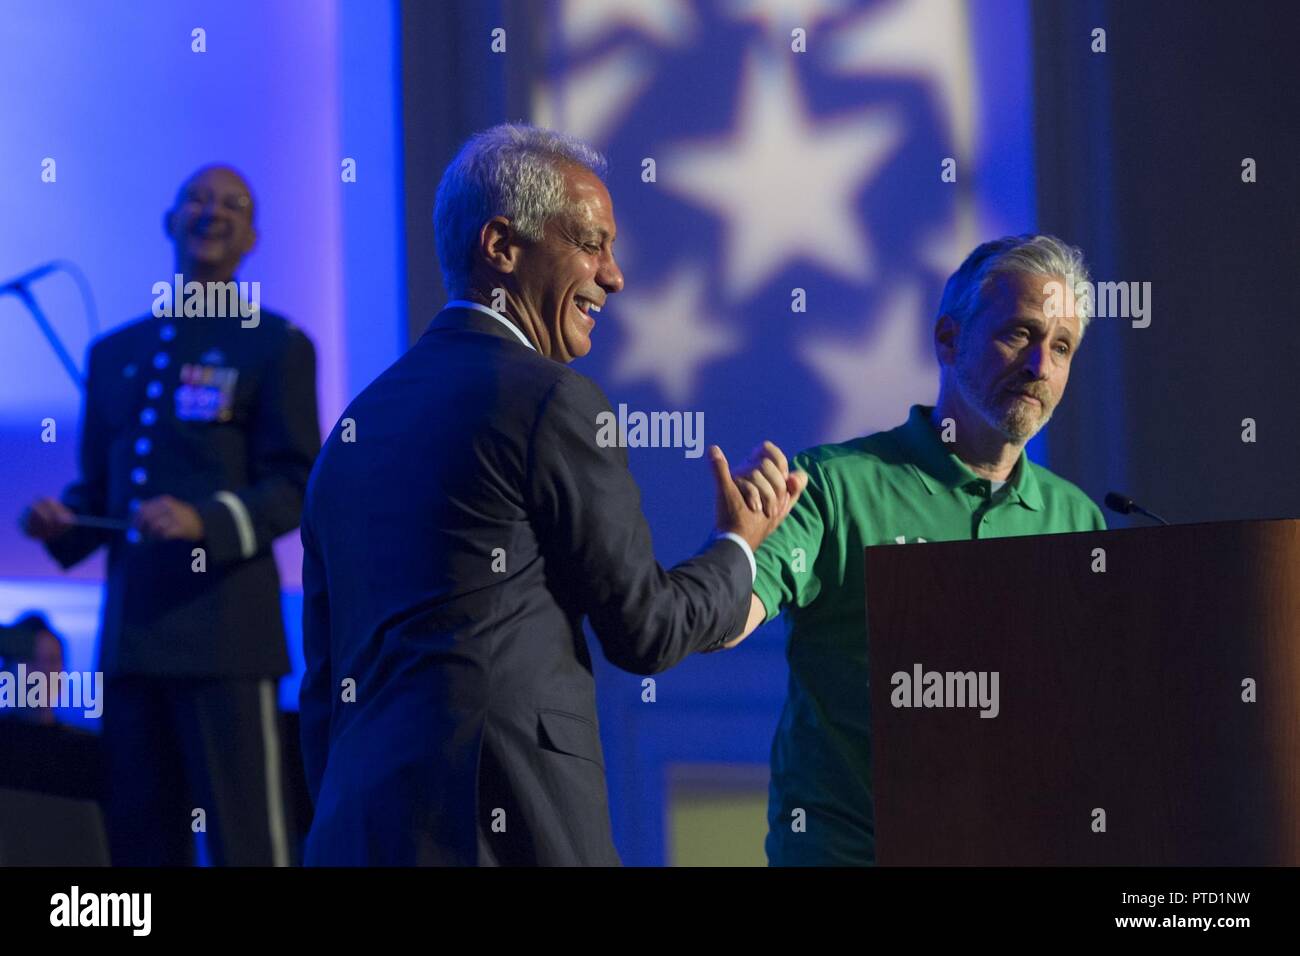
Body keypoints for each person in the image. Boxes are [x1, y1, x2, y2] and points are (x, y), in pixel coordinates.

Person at [299, 123, 804, 866]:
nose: (615, 275)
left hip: (358, 829)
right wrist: (737, 549)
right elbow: (647, 631)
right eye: (591, 243)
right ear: (501, 246)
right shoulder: (550, 402)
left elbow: (321, 686)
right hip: (504, 826)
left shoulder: (356, 425)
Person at [727, 234, 1108, 865]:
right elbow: (729, 614)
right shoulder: (833, 483)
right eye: (1019, 333)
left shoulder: (1079, 518)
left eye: (1061, 347)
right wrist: (735, 547)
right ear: (949, 339)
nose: (1041, 366)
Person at [20, 165, 320, 866]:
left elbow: (297, 484)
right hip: (132, 642)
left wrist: (205, 520)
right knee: (139, 848)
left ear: (251, 236)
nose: (211, 212)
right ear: (170, 219)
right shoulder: (116, 354)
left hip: (227, 640)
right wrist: (63, 520)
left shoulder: (274, 345)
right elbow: (100, 493)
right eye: (197, 198)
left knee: (249, 844)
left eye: (232, 204)